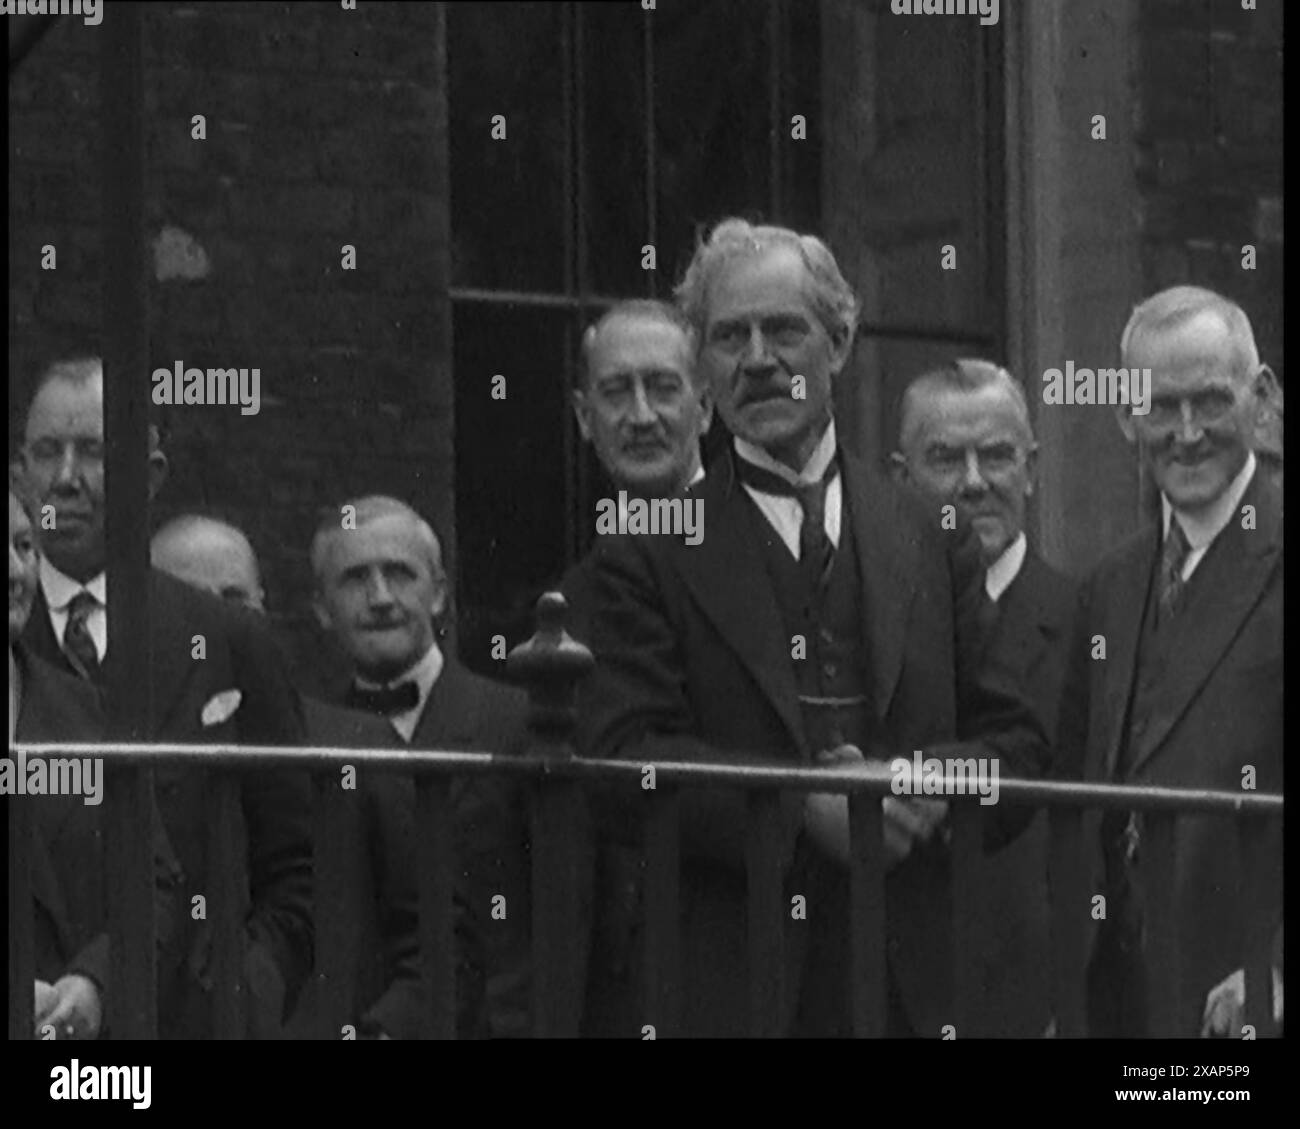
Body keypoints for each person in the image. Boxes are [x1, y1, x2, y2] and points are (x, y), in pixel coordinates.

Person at [578, 218, 1049, 1037]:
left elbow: (1015, 744)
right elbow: (624, 761)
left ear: (837, 343)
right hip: (730, 996)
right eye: (730, 336)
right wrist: (801, 811)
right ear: (704, 368)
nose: (758, 359)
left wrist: (913, 787)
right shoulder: (647, 552)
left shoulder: (932, 535)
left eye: (784, 330)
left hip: (918, 996)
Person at [16, 357, 313, 1039]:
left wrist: (248, 990)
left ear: (149, 477)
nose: (66, 478)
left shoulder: (225, 637)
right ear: (19, 475)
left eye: (94, 451)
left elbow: (298, 864)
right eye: (45, 452)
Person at [151, 512, 487, 1039]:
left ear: (263, 608)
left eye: (234, 601)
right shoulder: (118, 750)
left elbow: (436, 938)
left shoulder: (360, 744)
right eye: (194, 602)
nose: (217, 624)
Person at [1058, 285, 1282, 1037]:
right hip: (1117, 1008)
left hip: (1241, 1008)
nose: (1186, 433)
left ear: (1261, 398)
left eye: (1211, 402)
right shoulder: (1109, 585)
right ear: (1126, 416)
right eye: (1160, 406)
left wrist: (1277, 966)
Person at [891, 358, 1076, 1036]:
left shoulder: (1093, 617)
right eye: (945, 458)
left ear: (1031, 467)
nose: (974, 482)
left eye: (996, 455)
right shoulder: (877, 622)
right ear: (901, 477)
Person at [310, 495, 532, 1037]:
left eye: (400, 575)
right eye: (355, 578)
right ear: (321, 609)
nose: (381, 597)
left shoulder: (516, 724)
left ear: (438, 594)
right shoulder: (311, 743)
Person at [566, 299, 711, 1036]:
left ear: (705, 406)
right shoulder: (577, 590)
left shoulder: (756, 555)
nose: (642, 414)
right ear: (585, 416)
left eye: (664, 387)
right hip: (621, 978)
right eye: (617, 392)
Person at [10, 485, 183, 1040]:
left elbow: (155, 885)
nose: (14, 572)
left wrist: (95, 981)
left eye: (23, 547)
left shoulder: (85, 710)